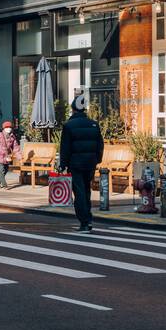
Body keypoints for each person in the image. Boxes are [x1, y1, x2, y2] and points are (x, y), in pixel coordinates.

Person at [58, 93, 105, 232]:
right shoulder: (94, 125)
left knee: (79, 193)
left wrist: (63, 164)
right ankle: (88, 219)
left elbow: (65, 147)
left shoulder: (69, 126)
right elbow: (100, 145)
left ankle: (85, 221)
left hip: (75, 164)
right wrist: (97, 159)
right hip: (90, 163)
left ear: (73, 109)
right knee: (86, 191)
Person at [0, 120, 21, 190]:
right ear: (3, 128)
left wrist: (19, 157)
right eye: (6, 127)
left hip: (6, 156)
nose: (8, 129)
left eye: (10, 127)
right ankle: (4, 185)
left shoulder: (12, 137)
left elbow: (16, 148)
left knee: (6, 169)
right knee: (1, 170)